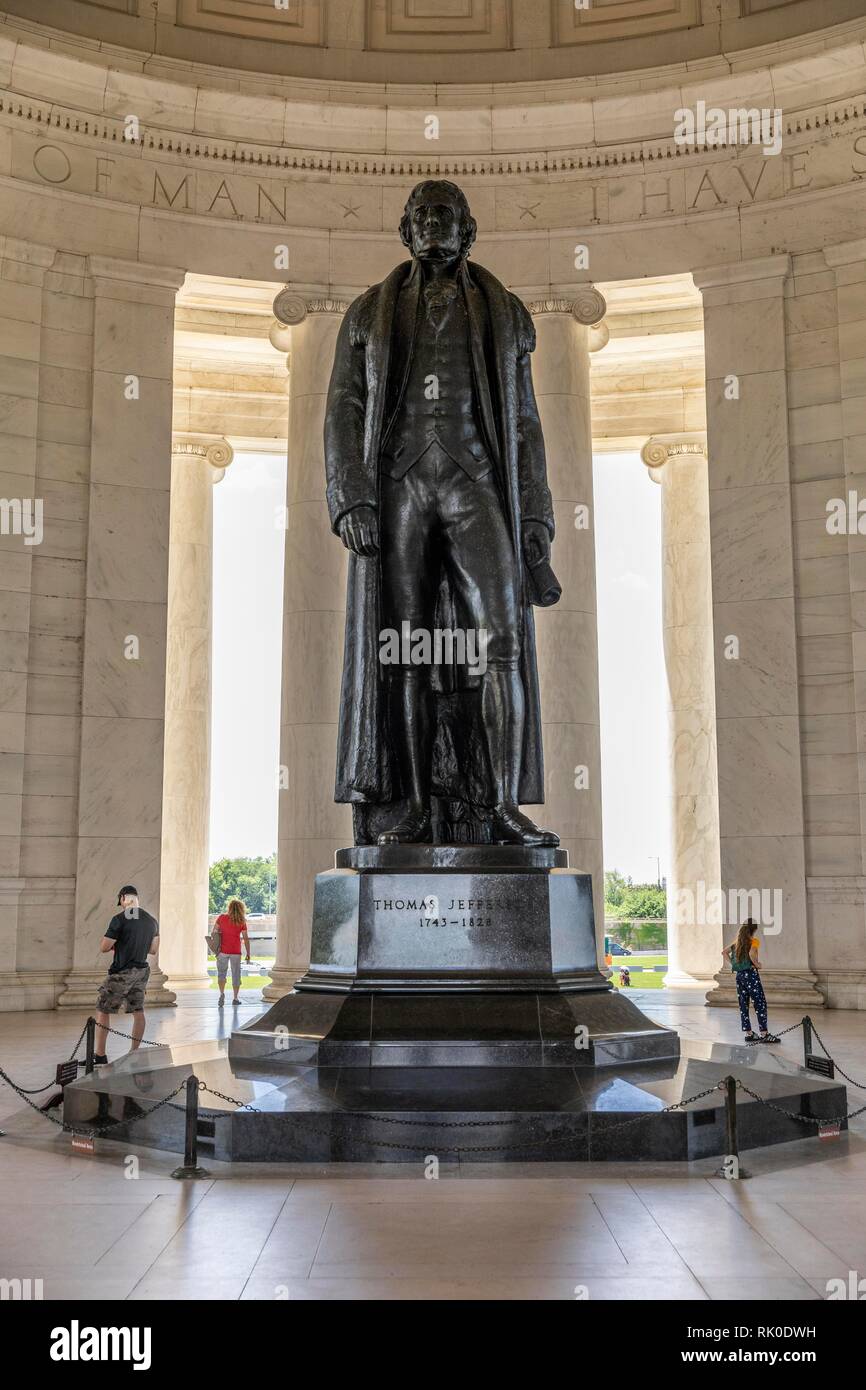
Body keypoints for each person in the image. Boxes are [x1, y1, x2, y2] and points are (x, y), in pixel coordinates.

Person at [93, 885, 160, 1065]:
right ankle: (134, 1053)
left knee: (103, 1009)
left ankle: (100, 1055)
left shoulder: (119, 919)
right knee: (138, 1011)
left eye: (121, 902)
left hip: (121, 972)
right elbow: (153, 950)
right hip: (142, 971)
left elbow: (104, 947)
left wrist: (121, 943)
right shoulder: (152, 921)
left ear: (123, 898)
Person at [723, 918, 779, 1044]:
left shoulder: (737, 943)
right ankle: (764, 1033)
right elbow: (751, 953)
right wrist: (758, 964)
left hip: (740, 976)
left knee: (744, 1004)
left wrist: (734, 963)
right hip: (751, 975)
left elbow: (724, 952)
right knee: (760, 1003)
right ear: (753, 930)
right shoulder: (754, 941)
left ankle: (749, 1033)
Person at [213, 898, 250, 1006]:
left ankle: (221, 994)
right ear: (241, 909)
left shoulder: (221, 918)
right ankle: (235, 998)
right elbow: (245, 938)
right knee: (236, 975)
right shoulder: (241, 921)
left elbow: (214, 932)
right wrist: (248, 953)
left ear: (229, 908)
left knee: (221, 974)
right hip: (236, 951)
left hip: (222, 951)